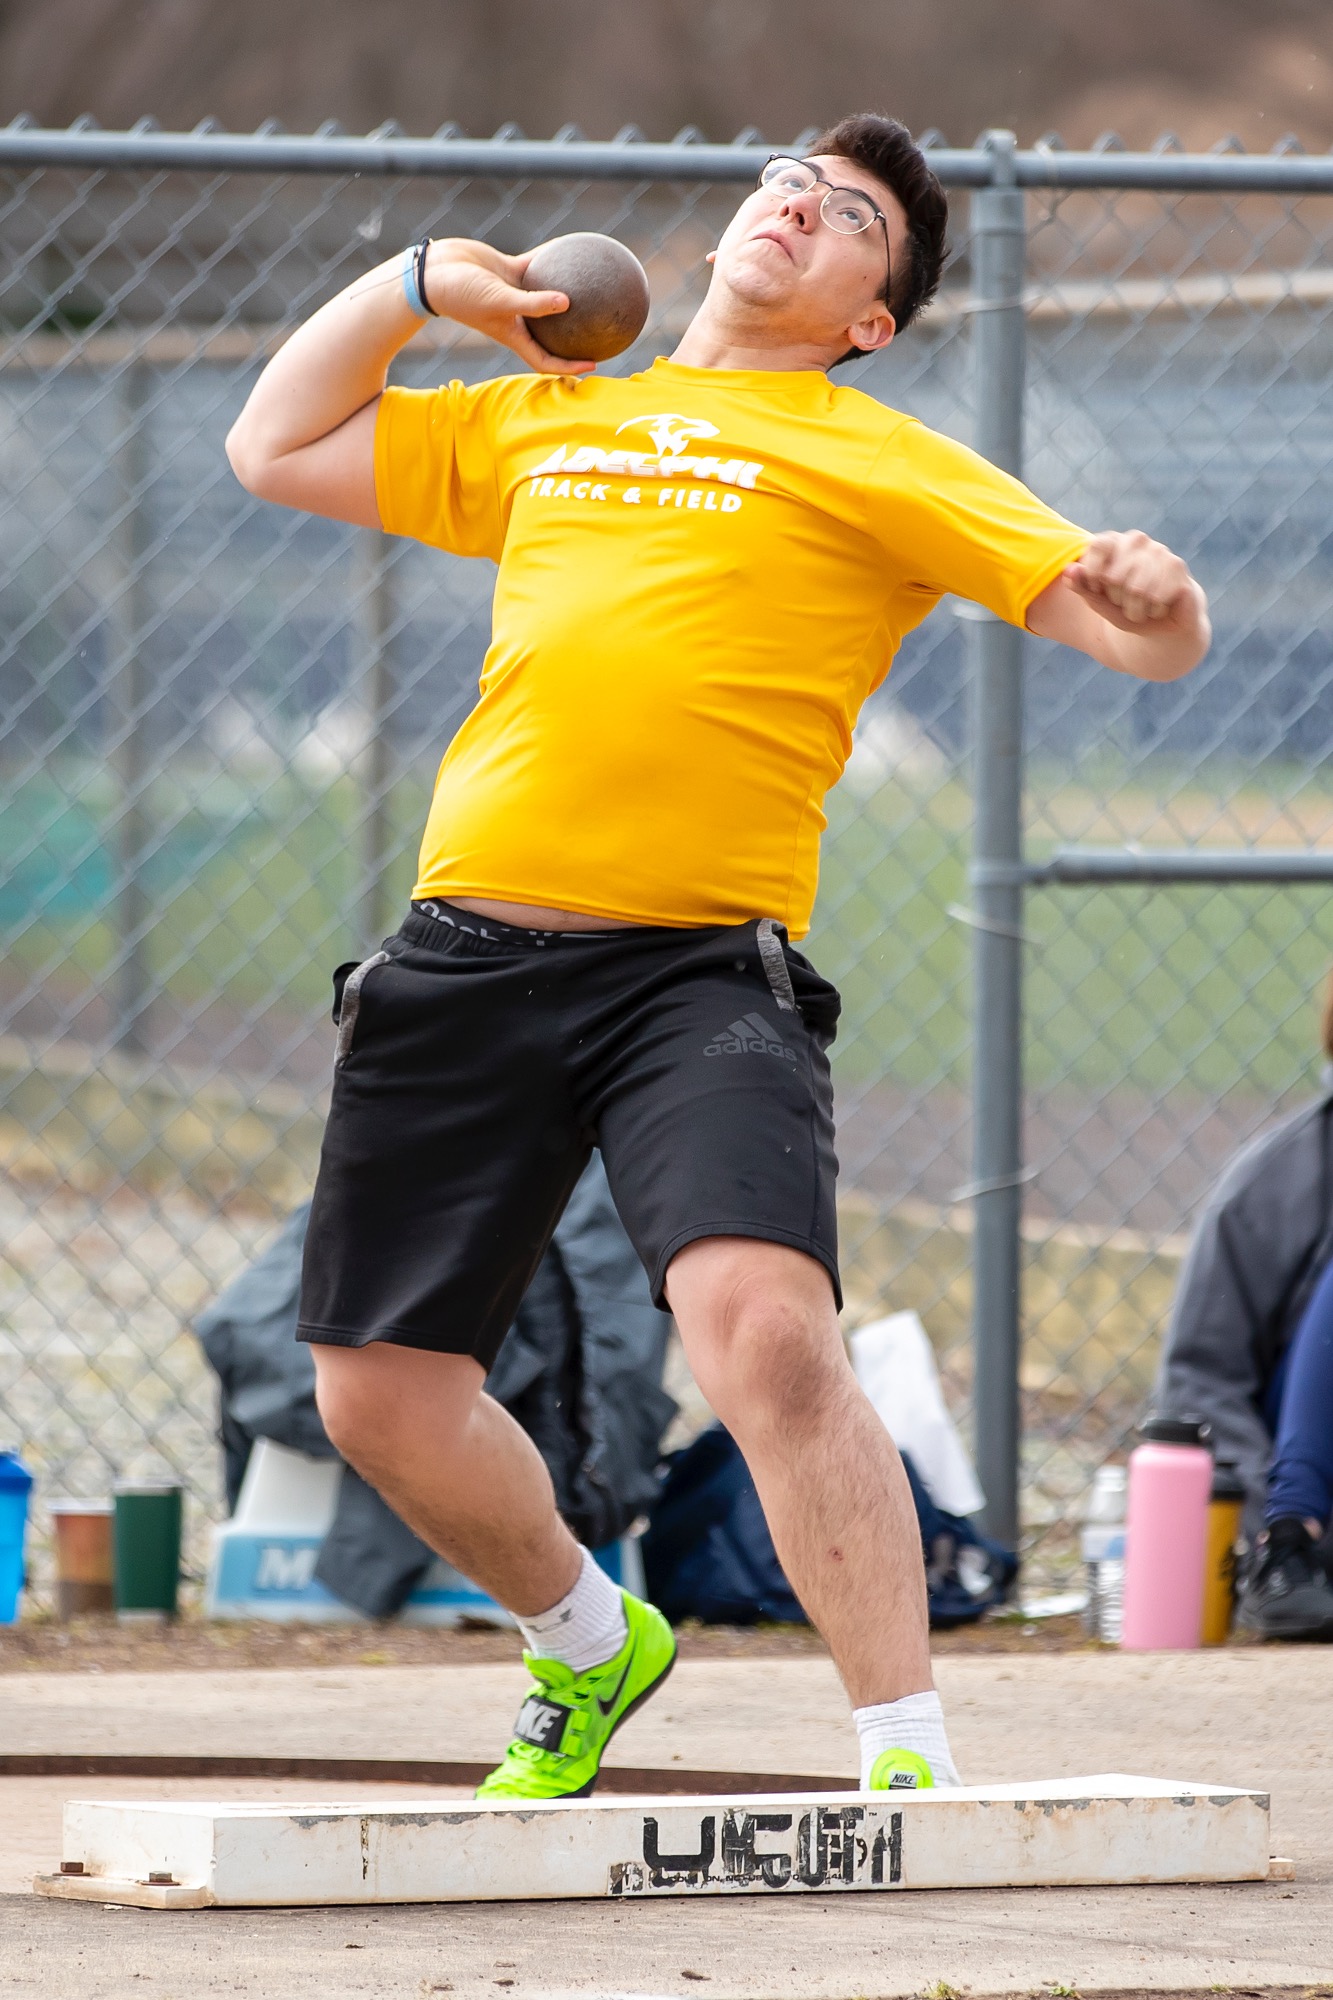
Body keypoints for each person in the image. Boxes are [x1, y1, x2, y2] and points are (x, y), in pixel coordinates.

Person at [226, 112, 1210, 1799]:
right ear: (716, 238)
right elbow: (273, 444)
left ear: (864, 319)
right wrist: (413, 286)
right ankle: (587, 1639)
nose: (793, 208)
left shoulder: (879, 456)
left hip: (692, 976)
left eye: (839, 218)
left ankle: (902, 1755)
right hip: (463, 955)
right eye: (780, 185)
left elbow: (1141, 648)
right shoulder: (552, 411)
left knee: (759, 1327)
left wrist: (1155, 588)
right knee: (375, 1394)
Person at [1159, 976, 1333, 1639]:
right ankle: (1290, 1536)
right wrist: (1269, 1518)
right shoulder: (1274, 1179)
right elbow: (1197, 1387)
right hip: (1304, 1529)